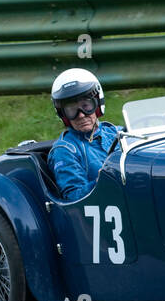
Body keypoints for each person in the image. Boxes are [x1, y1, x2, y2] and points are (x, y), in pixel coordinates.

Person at [47, 68, 121, 203]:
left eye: (86, 106)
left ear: (97, 104)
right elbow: (74, 196)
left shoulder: (114, 131)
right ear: (63, 115)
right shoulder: (65, 150)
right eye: (72, 110)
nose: (81, 115)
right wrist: (102, 181)